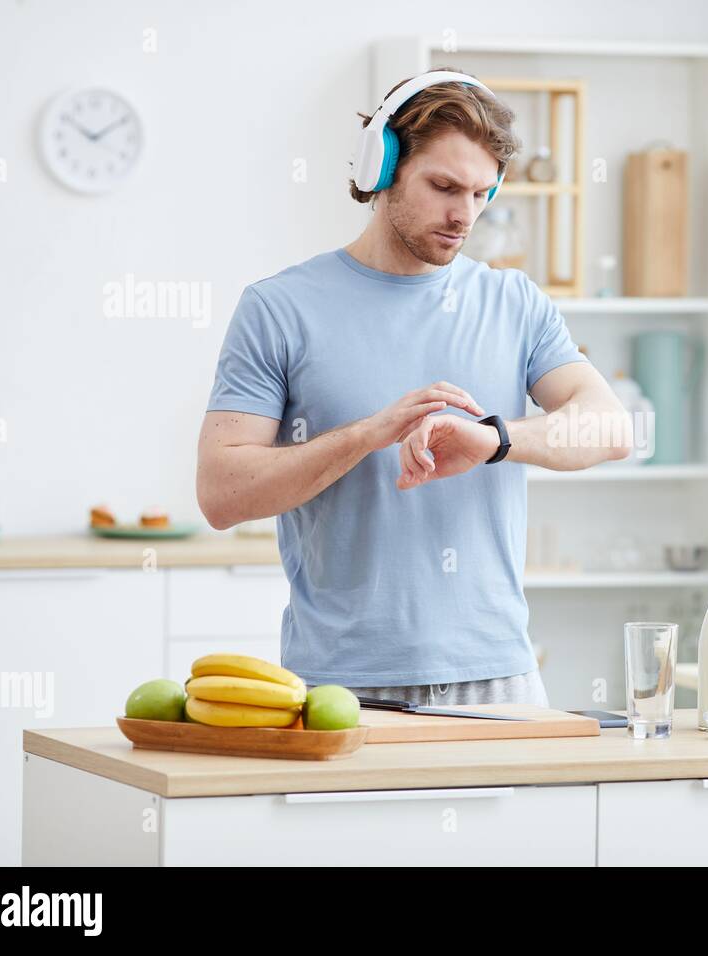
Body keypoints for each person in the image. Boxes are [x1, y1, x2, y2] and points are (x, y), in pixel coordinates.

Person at [196, 68, 631, 708]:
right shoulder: (278, 308)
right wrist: (369, 434)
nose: (465, 215)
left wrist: (497, 439)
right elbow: (220, 493)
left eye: (483, 193)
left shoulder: (513, 301)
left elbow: (610, 427)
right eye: (444, 187)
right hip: (341, 688)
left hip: (502, 681)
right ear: (382, 168)